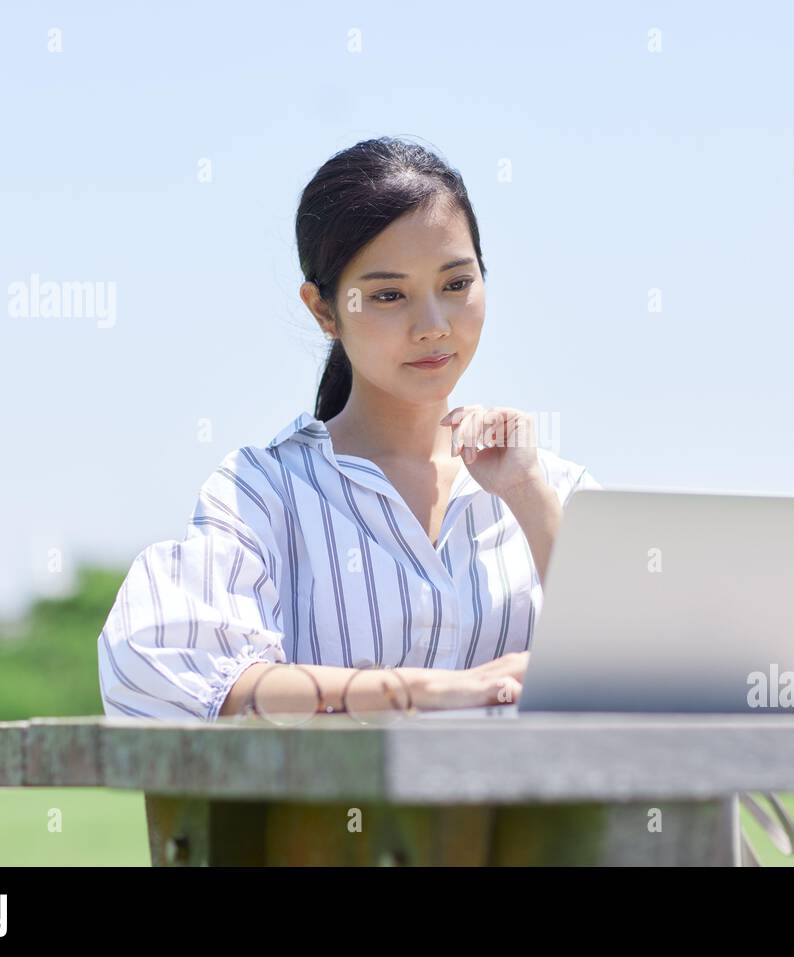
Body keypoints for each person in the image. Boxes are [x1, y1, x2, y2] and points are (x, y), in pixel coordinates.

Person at [97, 136, 601, 721]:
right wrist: (416, 693)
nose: (433, 325)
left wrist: (529, 498)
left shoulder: (554, 488)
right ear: (324, 310)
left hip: (540, 815)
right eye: (389, 294)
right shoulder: (266, 490)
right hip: (334, 816)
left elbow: (648, 682)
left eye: (457, 284)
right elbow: (163, 670)